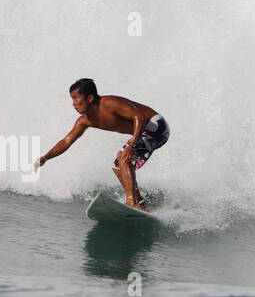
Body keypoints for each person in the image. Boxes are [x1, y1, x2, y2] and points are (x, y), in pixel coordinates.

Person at [33, 78, 169, 211]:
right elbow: (66, 141)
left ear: (90, 98)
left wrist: (132, 145)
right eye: (72, 99)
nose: (73, 103)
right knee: (117, 166)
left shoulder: (109, 103)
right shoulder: (84, 121)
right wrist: (45, 157)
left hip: (156, 127)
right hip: (143, 133)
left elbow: (140, 117)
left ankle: (131, 202)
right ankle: (139, 203)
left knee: (123, 157)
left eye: (76, 98)